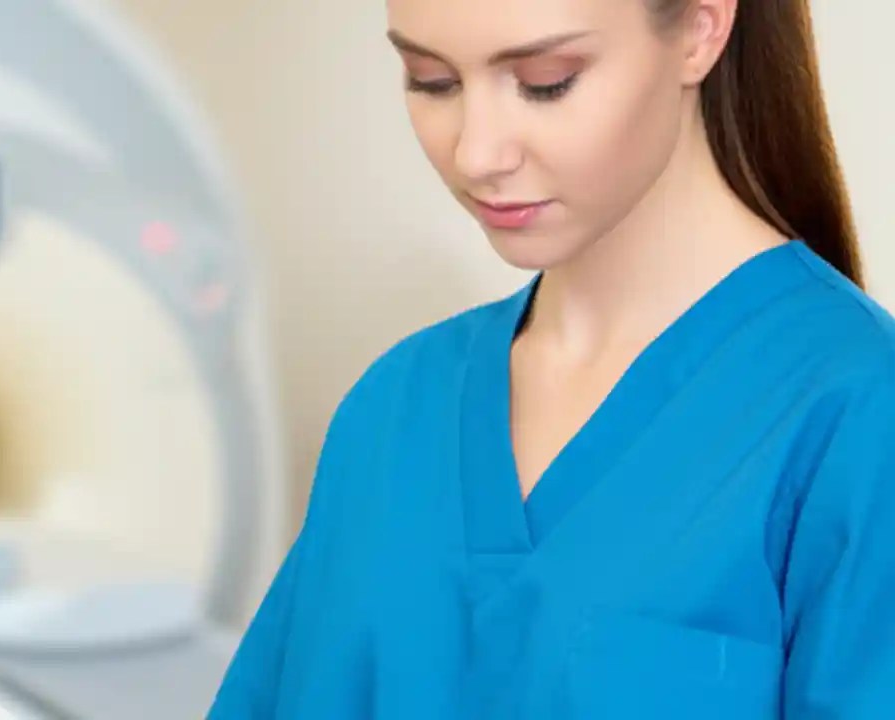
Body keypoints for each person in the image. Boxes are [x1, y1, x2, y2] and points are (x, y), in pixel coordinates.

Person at [207, 0, 895, 717]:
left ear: (700, 28)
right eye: (432, 80)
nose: (477, 153)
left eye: (545, 80)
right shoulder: (395, 407)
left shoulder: (855, 412)